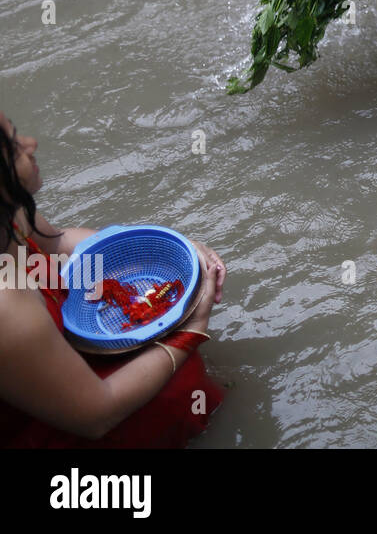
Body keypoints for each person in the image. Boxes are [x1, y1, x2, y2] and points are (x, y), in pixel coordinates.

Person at [0, 111, 227, 447]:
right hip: (63, 425)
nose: (31, 145)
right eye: (15, 150)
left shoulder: (11, 214)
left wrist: (163, 246)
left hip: (58, 361)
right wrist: (192, 329)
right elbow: (97, 415)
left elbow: (58, 243)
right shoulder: (7, 303)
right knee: (176, 387)